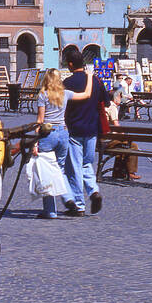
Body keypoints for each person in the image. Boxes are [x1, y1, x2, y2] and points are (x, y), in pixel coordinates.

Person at [33, 68, 94, 219]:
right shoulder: (65, 94)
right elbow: (87, 94)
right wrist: (90, 77)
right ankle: (69, 198)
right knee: (60, 170)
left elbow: (40, 121)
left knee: (47, 171)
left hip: (48, 133)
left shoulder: (43, 95)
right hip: (63, 133)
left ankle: (50, 211)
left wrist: (34, 142)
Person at [62, 52, 107, 215]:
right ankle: (94, 191)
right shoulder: (95, 81)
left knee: (74, 167)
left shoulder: (67, 82)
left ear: (72, 64)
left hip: (74, 128)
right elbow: (105, 103)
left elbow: (62, 107)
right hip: (92, 128)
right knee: (87, 164)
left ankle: (79, 205)